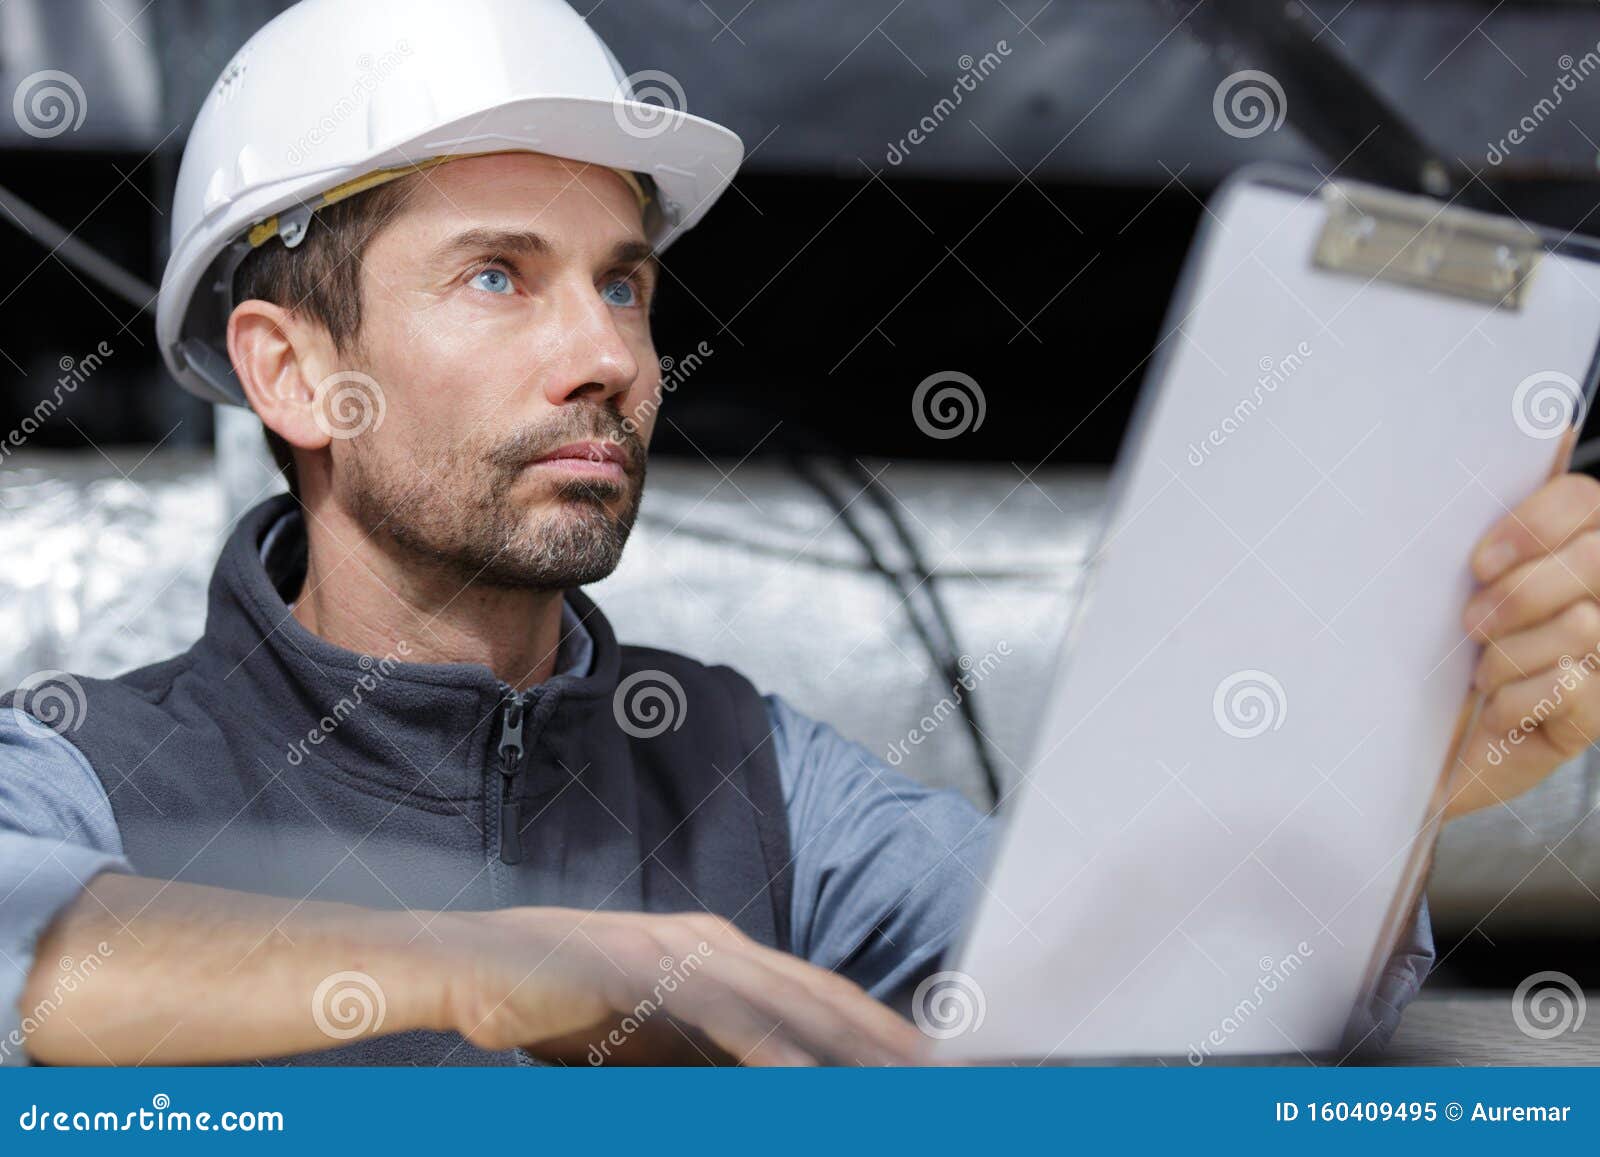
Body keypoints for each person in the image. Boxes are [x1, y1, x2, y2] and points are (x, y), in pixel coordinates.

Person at [2, 0, 1590, 1066]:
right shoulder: (79, 769)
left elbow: (1147, 1028)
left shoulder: (763, 785)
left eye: (621, 279)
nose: (611, 356)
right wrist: (489, 958)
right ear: (294, 370)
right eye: (499, 276)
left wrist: (1400, 782)